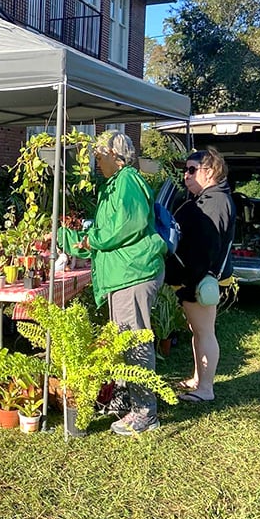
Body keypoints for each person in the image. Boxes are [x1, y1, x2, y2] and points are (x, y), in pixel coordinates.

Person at [82, 132, 167, 436]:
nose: (96, 159)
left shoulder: (128, 180)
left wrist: (94, 239)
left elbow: (126, 227)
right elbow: (107, 230)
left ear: (117, 156)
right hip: (123, 274)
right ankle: (134, 404)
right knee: (125, 342)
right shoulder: (115, 184)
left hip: (133, 273)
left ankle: (145, 414)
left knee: (135, 343)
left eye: (100, 153)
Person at [165, 147, 236, 404]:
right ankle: (199, 378)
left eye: (191, 169)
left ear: (209, 171)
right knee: (199, 331)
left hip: (199, 282)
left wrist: (190, 280)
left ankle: (206, 388)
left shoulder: (215, 202)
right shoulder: (208, 198)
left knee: (205, 332)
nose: (186, 175)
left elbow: (209, 248)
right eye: (185, 169)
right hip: (195, 280)